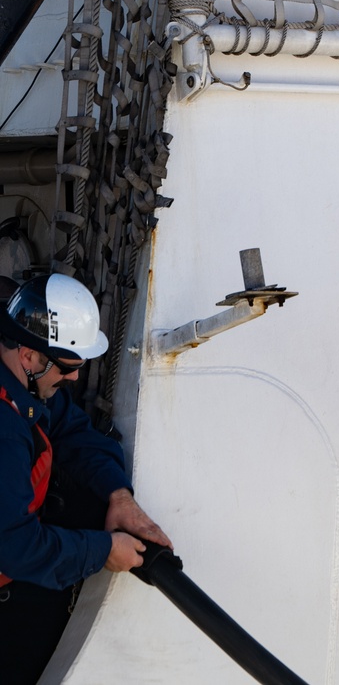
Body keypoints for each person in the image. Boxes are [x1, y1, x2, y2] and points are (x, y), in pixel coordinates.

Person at [0, 272, 171, 685]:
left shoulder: (24, 386)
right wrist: (103, 551)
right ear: (29, 356)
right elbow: (15, 547)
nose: (75, 379)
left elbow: (71, 429)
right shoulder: (5, 430)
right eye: (67, 367)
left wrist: (118, 495)